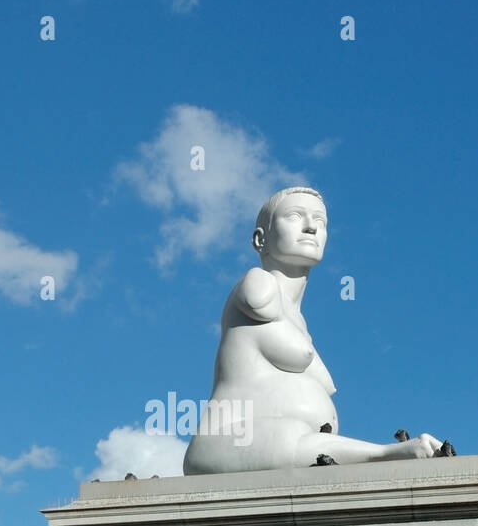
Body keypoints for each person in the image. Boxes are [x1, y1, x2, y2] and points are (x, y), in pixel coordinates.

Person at [183, 186, 450, 476]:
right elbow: (255, 299)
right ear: (261, 239)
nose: (311, 227)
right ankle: (389, 453)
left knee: (300, 438)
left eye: (320, 222)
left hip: (294, 450)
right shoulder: (258, 282)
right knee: (290, 434)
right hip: (230, 442)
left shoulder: (300, 322)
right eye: (295, 216)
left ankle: (386, 454)